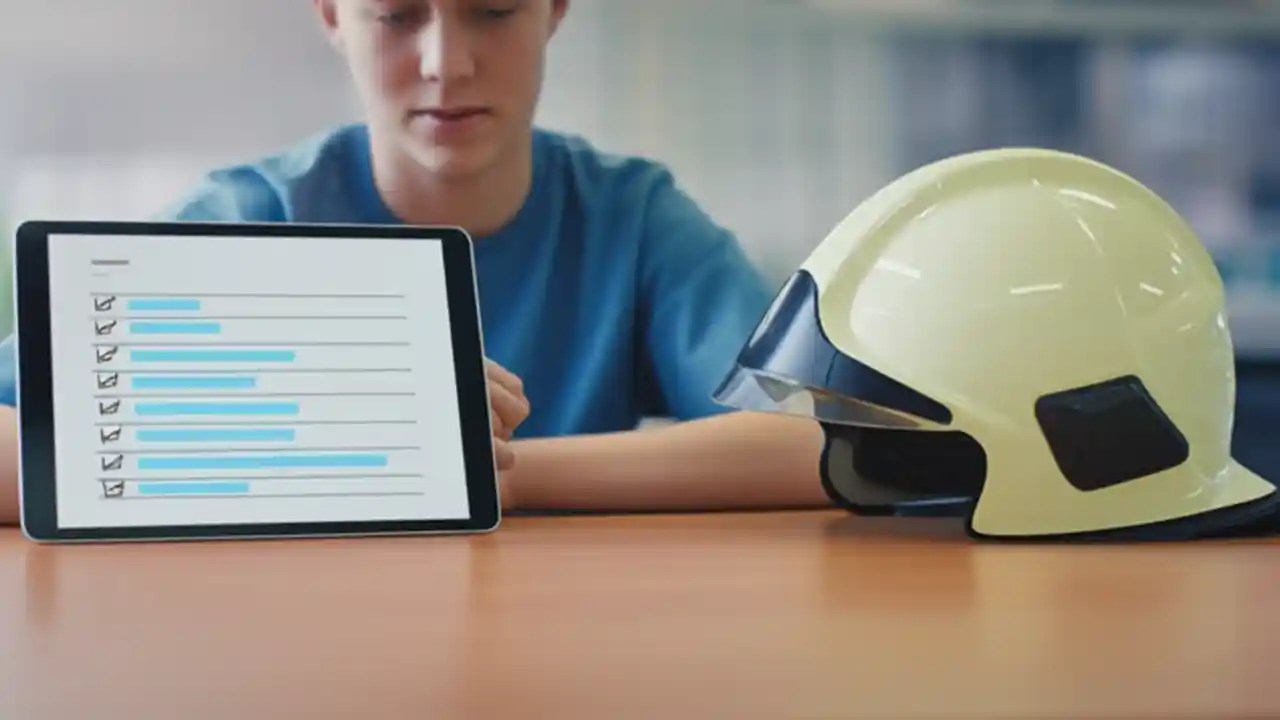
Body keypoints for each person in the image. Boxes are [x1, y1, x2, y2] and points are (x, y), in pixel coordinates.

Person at [0, 0, 829, 525]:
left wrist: (496, 474)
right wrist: (353, 427)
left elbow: (815, 442)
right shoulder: (249, 218)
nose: (446, 62)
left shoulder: (633, 217)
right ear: (332, 15)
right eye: (398, 14)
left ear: (556, 9)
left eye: (494, 10)